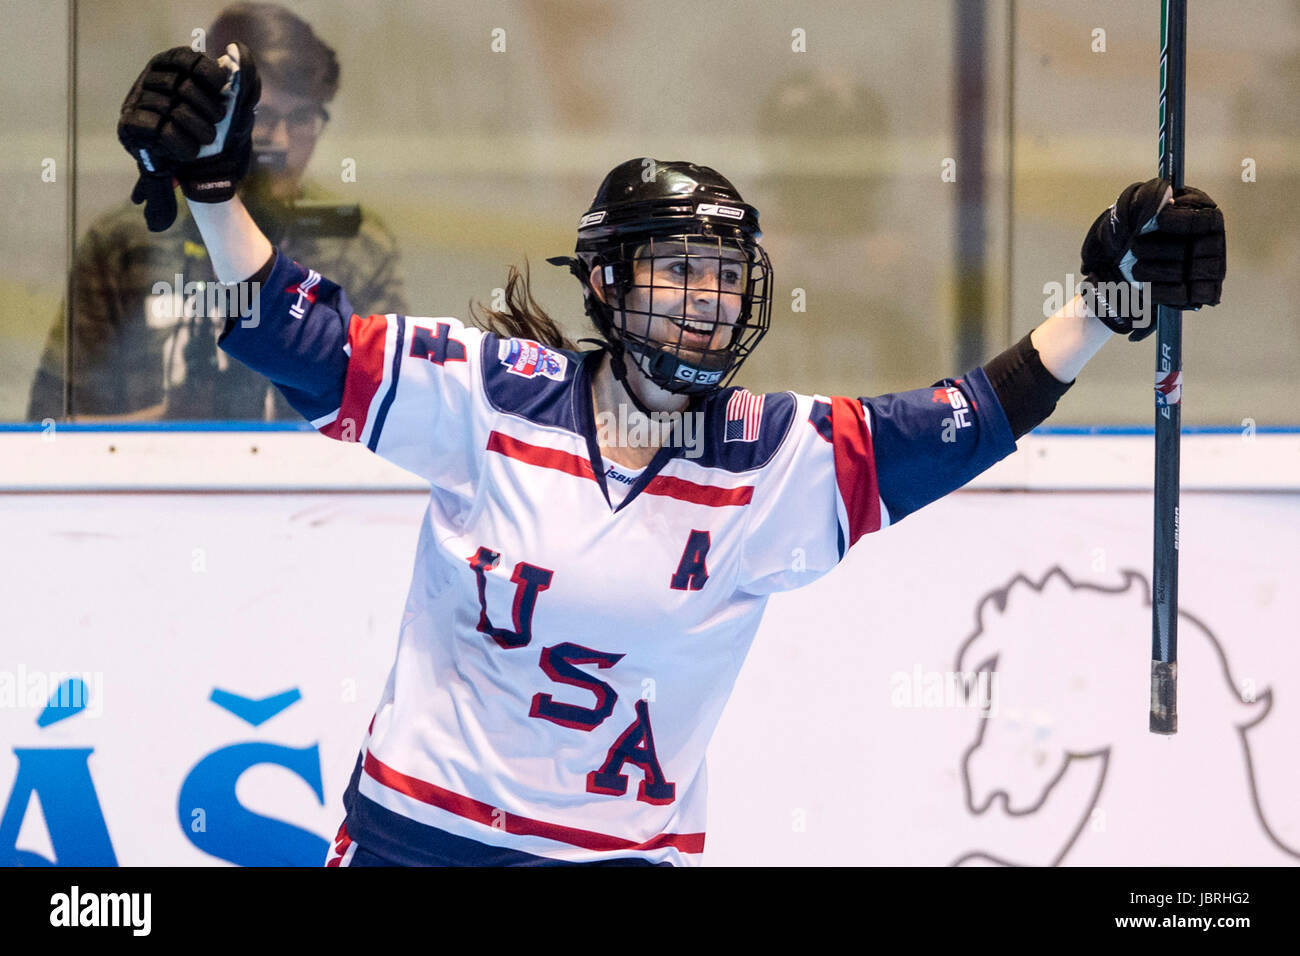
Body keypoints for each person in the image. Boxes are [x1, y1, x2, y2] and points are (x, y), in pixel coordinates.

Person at [116, 42, 1226, 866]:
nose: (704, 304)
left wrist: (1102, 303)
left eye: (721, 277)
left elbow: (964, 416)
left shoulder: (771, 461)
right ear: (603, 283)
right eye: (674, 272)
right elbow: (298, 343)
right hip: (414, 837)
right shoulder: (485, 398)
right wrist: (215, 199)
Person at [27, 2, 405, 423]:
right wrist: (167, 428)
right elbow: (48, 424)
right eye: (261, 115)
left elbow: (390, 413)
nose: (279, 141)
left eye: (301, 117)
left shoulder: (355, 243)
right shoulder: (128, 240)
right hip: (148, 485)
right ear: (214, 113)